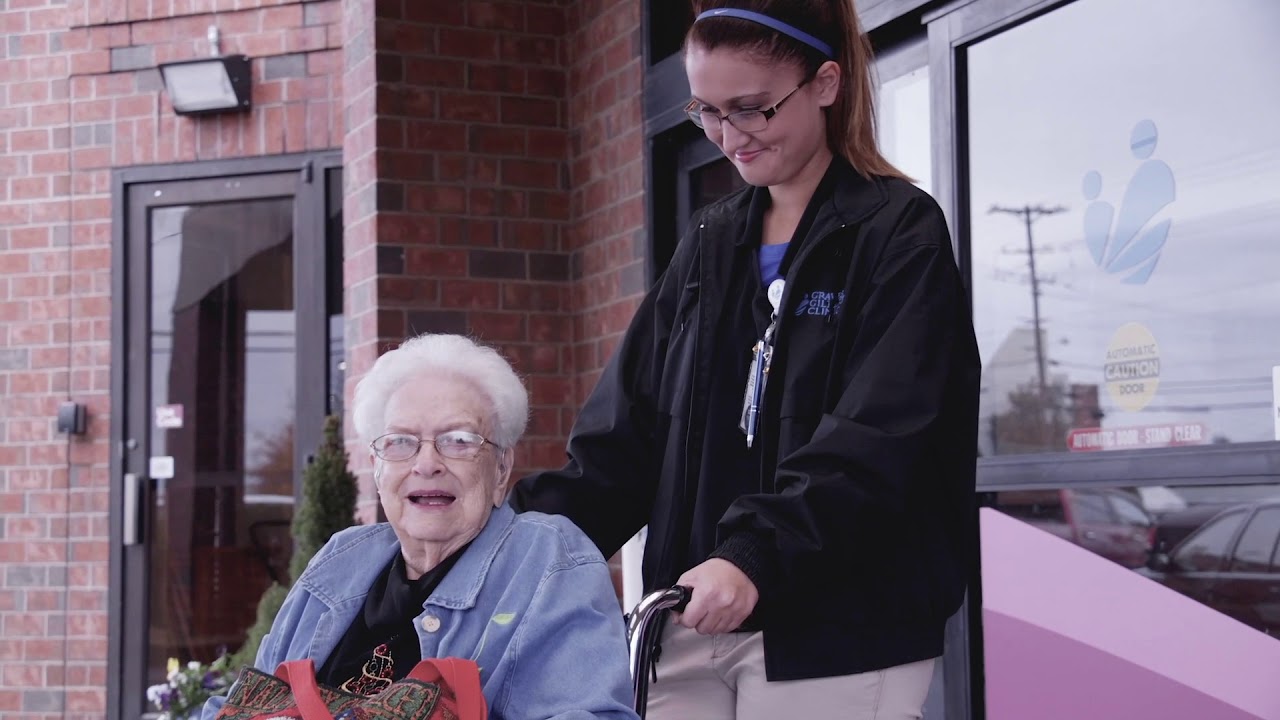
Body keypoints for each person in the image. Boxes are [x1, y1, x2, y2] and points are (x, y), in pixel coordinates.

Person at [511, 1, 981, 718]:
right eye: (707, 112)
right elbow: (624, 442)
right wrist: (509, 546)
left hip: (838, 632)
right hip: (692, 622)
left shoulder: (898, 233)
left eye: (752, 109)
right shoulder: (710, 241)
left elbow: (878, 441)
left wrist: (753, 556)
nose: (728, 138)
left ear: (825, 84)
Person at [202, 333, 639, 720]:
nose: (427, 463)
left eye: (459, 440)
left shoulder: (550, 562)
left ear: (502, 468)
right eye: (401, 443)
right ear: (376, 468)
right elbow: (246, 701)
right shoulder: (341, 559)